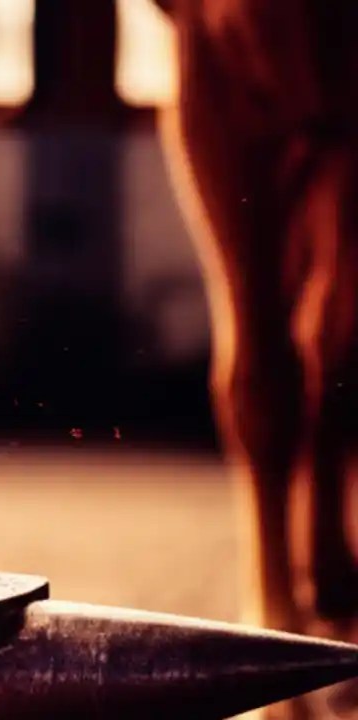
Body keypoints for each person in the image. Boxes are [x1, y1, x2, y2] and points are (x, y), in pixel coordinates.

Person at [155, 1, 358, 718]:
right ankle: (275, 597)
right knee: (254, 322)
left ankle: (328, 568)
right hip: (220, 50)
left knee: (344, 326)